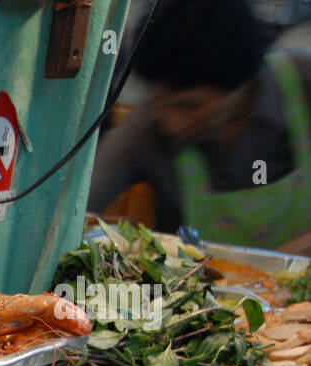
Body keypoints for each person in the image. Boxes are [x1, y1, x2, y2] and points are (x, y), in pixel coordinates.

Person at [87, 0, 311, 253]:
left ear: (242, 87)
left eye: (190, 106)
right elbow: (74, 207)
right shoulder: (147, 128)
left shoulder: (301, 82)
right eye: (159, 103)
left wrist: (289, 259)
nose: (172, 124)